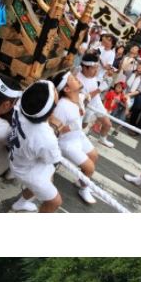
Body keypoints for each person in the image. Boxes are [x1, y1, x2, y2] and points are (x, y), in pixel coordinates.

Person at [8, 80, 63, 213]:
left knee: (47, 179)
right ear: (50, 111)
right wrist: (56, 129)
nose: (55, 90)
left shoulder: (21, 104)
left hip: (17, 157)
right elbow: (51, 160)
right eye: (55, 93)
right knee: (55, 201)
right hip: (27, 171)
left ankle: (20, 203)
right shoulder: (46, 137)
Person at [51, 70, 100, 205]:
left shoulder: (79, 96)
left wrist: (90, 95)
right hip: (67, 142)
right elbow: (54, 132)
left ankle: (81, 182)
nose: (76, 78)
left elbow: (85, 97)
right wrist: (70, 127)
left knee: (94, 156)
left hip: (78, 135)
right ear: (67, 89)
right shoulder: (62, 107)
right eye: (72, 79)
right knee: (90, 168)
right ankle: (84, 189)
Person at [74, 53, 114, 148]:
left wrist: (108, 77)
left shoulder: (93, 74)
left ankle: (102, 139)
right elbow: (85, 98)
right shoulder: (77, 79)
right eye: (94, 68)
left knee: (107, 124)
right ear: (85, 68)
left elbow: (103, 77)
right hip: (86, 106)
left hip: (96, 102)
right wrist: (100, 89)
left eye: (97, 67)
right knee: (82, 126)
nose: (96, 70)